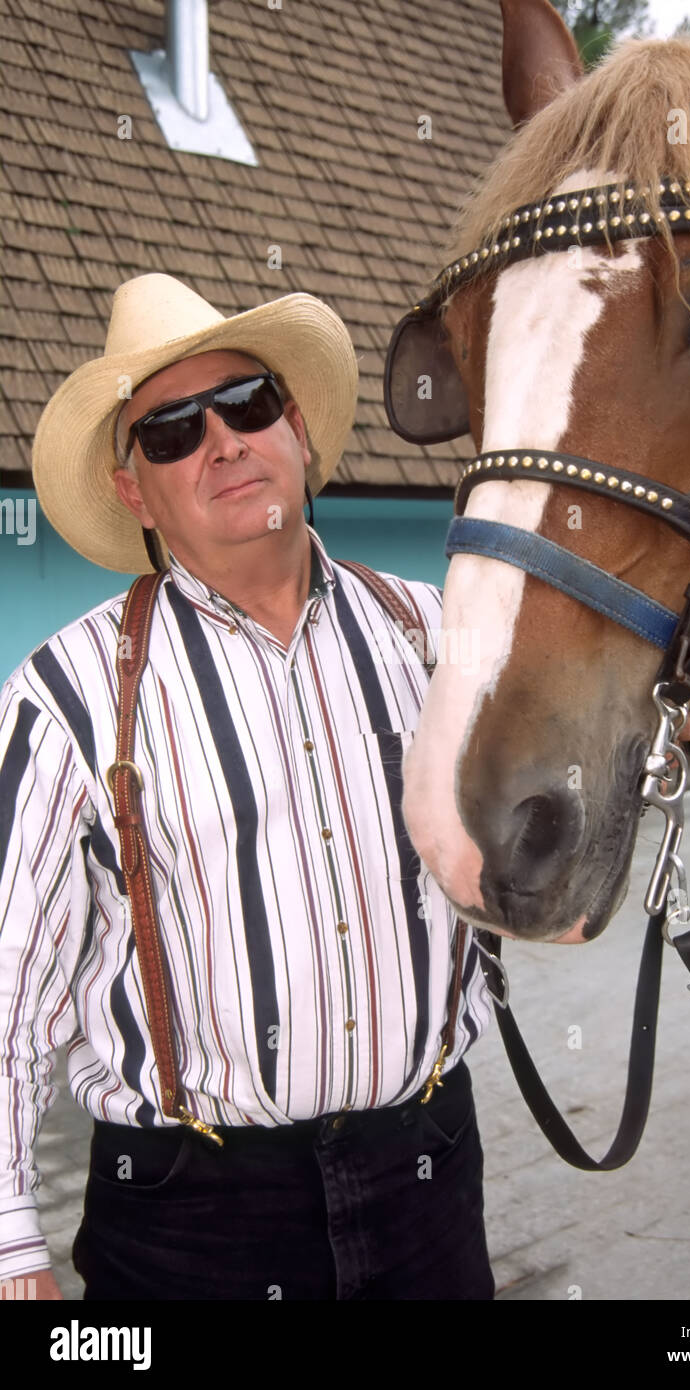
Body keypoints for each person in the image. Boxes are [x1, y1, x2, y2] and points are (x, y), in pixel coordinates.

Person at [0, 273, 495, 1301]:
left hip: (429, 1181)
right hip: (193, 1222)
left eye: (250, 404)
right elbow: (6, 1001)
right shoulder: (69, 693)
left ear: (300, 430)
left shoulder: (438, 634)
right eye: (172, 431)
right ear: (135, 490)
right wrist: (12, 1251)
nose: (222, 440)